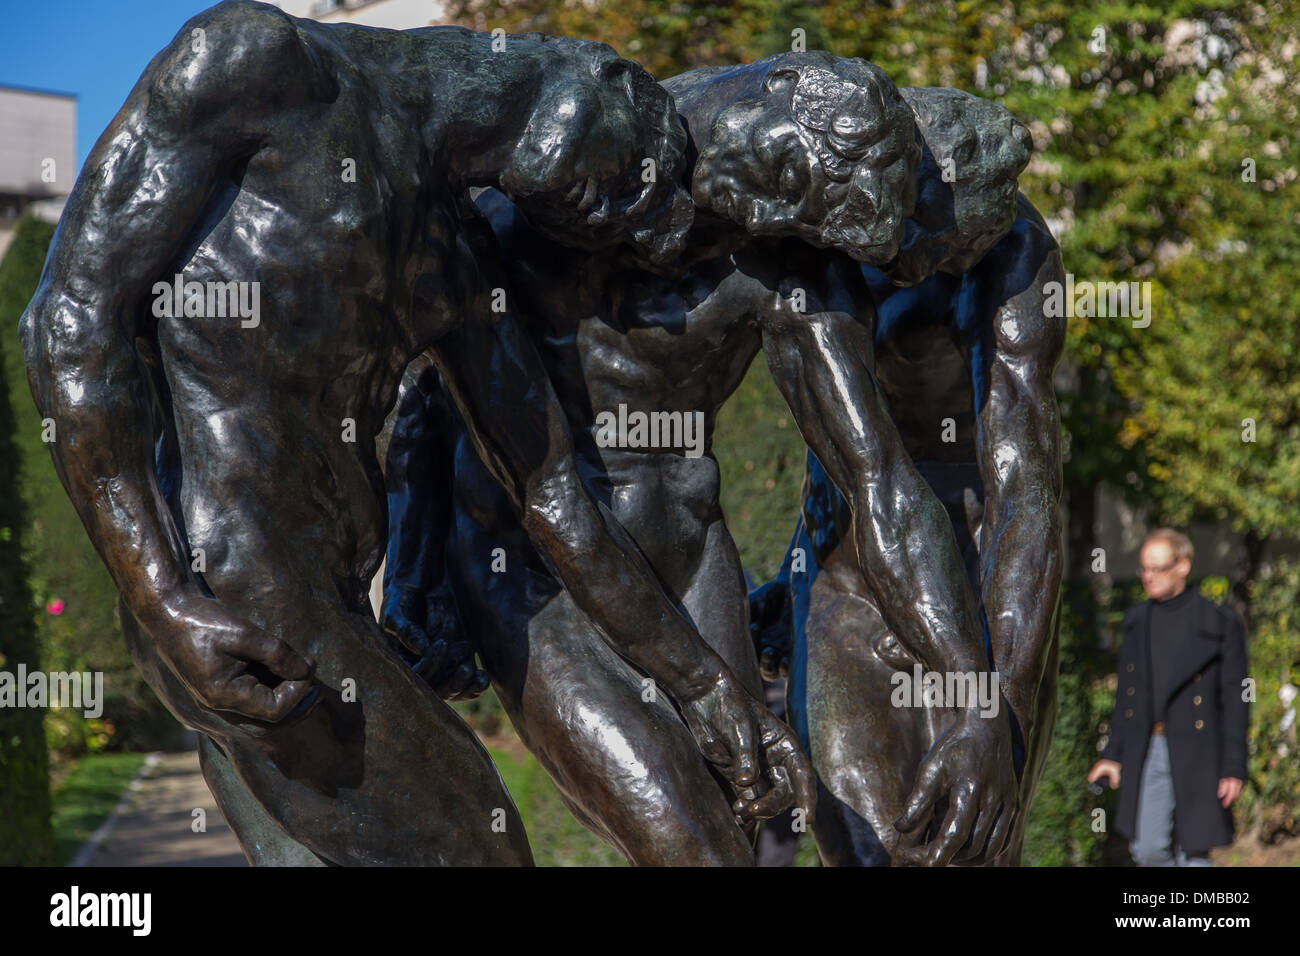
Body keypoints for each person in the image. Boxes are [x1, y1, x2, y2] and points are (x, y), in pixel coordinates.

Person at [20, 0, 806, 865]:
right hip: (239, 599)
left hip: (313, 610)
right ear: (600, 88)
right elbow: (66, 321)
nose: (618, 218)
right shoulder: (255, 62)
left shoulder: (456, 252)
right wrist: (161, 597)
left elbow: (552, 496)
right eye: (631, 180)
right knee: (483, 849)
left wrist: (707, 689)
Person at [385, 51, 1019, 865]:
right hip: (535, 576)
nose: (773, 212)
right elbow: (428, 387)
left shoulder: (785, 262)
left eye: (799, 212)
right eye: (786, 178)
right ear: (780, 84)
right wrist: (414, 575)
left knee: (742, 842)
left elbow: (881, 485)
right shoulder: (550, 174)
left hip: (685, 562)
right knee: (692, 849)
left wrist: (973, 699)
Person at [749, 86, 1063, 865]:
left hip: (982, 576)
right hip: (852, 577)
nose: (935, 268)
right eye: (932, 242)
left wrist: (991, 701)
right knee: (863, 843)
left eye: (960, 252)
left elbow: (1027, 487)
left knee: (973, 849)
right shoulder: (818, 240)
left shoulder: (1017, 251)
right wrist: (795, 570)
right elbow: (861, 463)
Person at [1088, 528, 1249, 866]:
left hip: (1202, 748)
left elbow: (1237, 699)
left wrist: (1234, 766)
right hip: (1150, 746)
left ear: (1183, 565)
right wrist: (1112, 754)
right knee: (1147, 848)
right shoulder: (1137, 621)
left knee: (1195, 849)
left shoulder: (1219, 622)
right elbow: (1127, 697)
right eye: (1144, 568)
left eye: (1158, 568)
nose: (1149, 577)